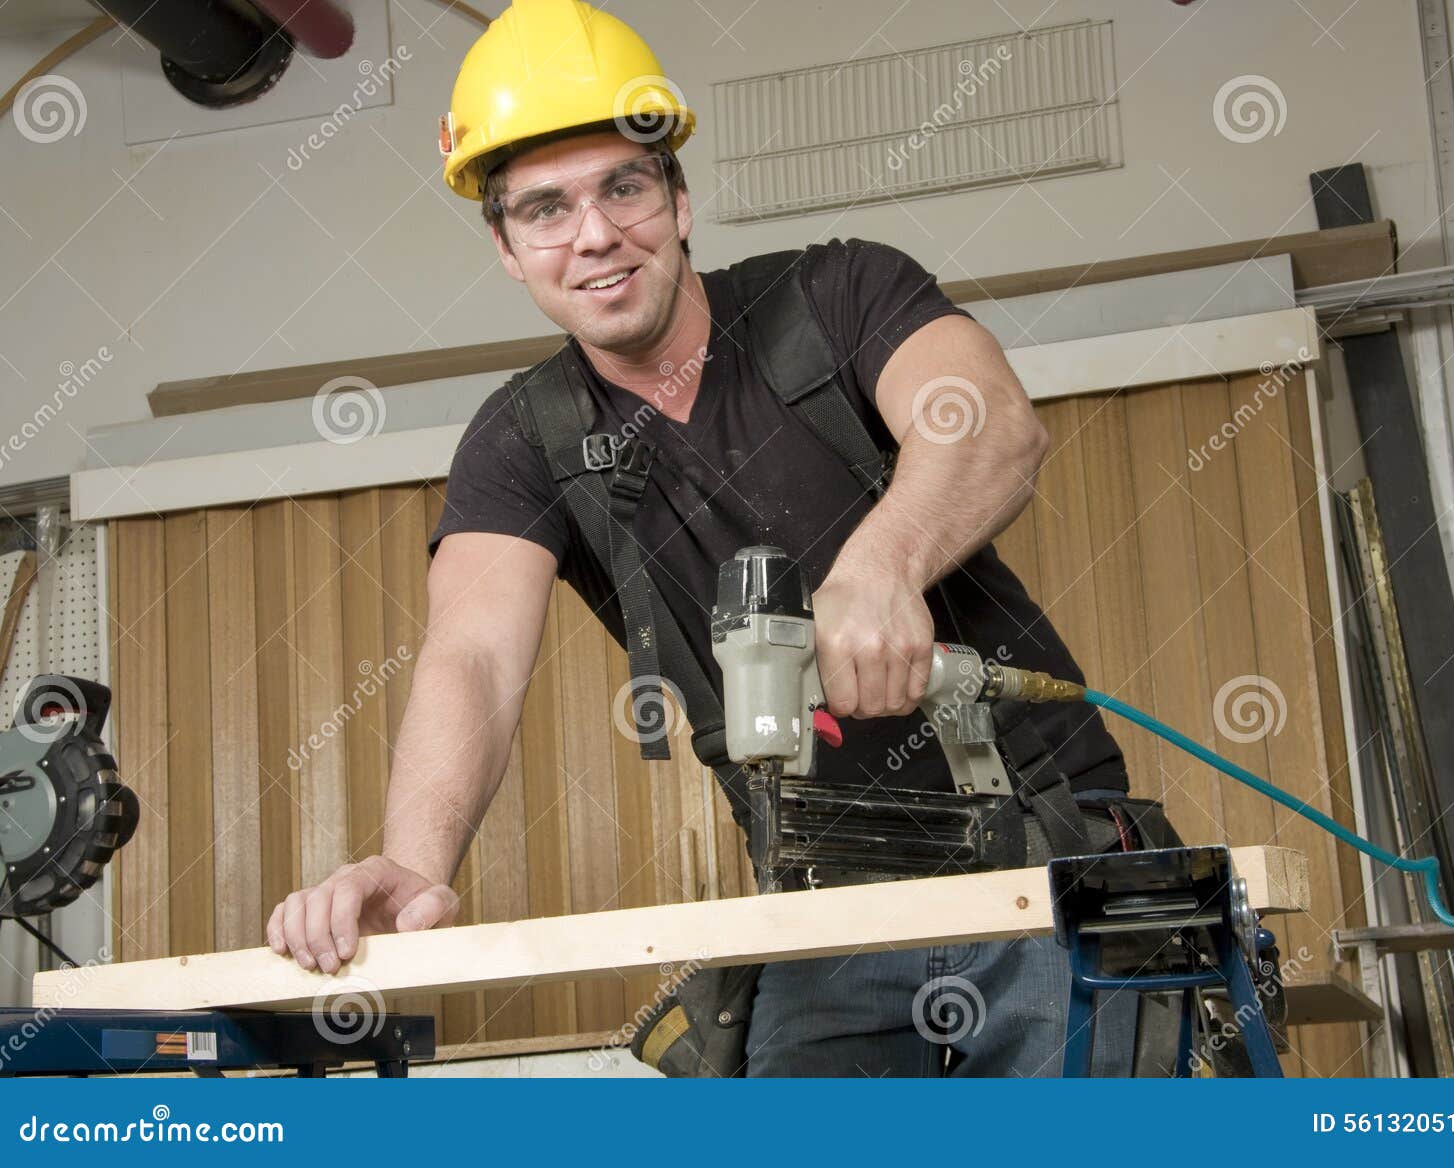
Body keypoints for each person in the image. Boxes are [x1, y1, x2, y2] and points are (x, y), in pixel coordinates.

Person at [267, 0, 1148, 1077]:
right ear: (506, 247)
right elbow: (472, 656)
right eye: (544, 209)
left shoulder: (837, 292)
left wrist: (881, 565)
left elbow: (990, 423)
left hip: (1043, 848)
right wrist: (412, 860)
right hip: (826, 903)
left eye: (622, 188)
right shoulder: (527, 437)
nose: (593, 235)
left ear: (679, 198)